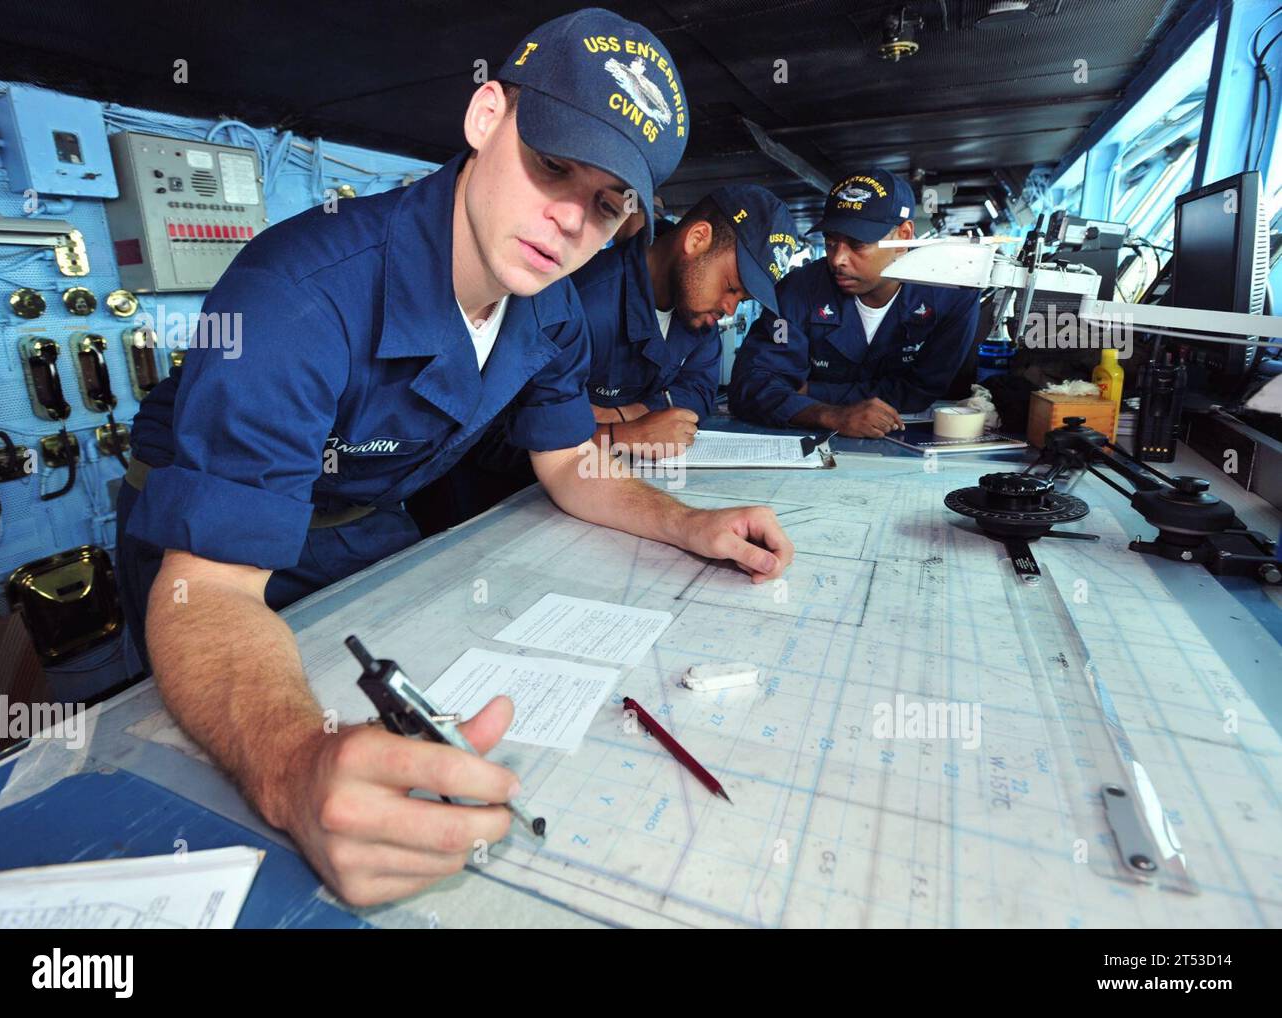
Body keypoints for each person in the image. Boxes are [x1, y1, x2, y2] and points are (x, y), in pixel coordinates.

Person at [115, 7, 793, 907]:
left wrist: (688, 523)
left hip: (365, 522)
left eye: (605, 204)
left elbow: (567, 464)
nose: (566, 222)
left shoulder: (547, 309)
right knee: (208, 793)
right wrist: (294, 769)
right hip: (206, 545)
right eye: (551, 165)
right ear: (485, 118)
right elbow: (213, 589)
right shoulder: (296, 297)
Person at [729, 168, 980, 437]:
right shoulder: (797, 291)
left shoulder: (952, 294)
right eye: (831, 242)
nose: (838, 259)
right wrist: (831, 415)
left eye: (857, 244)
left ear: (903, 237)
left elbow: (924, 390)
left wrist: (811, 391)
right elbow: (753, 386)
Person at [576, 184, 798, 459]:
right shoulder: (584, 302)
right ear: (697, 239)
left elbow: (699, 393)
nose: (729, 310)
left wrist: (625, 414)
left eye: (741, 300)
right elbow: (522, 434)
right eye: (731, 287)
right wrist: (628, 435)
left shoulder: (699, 317)